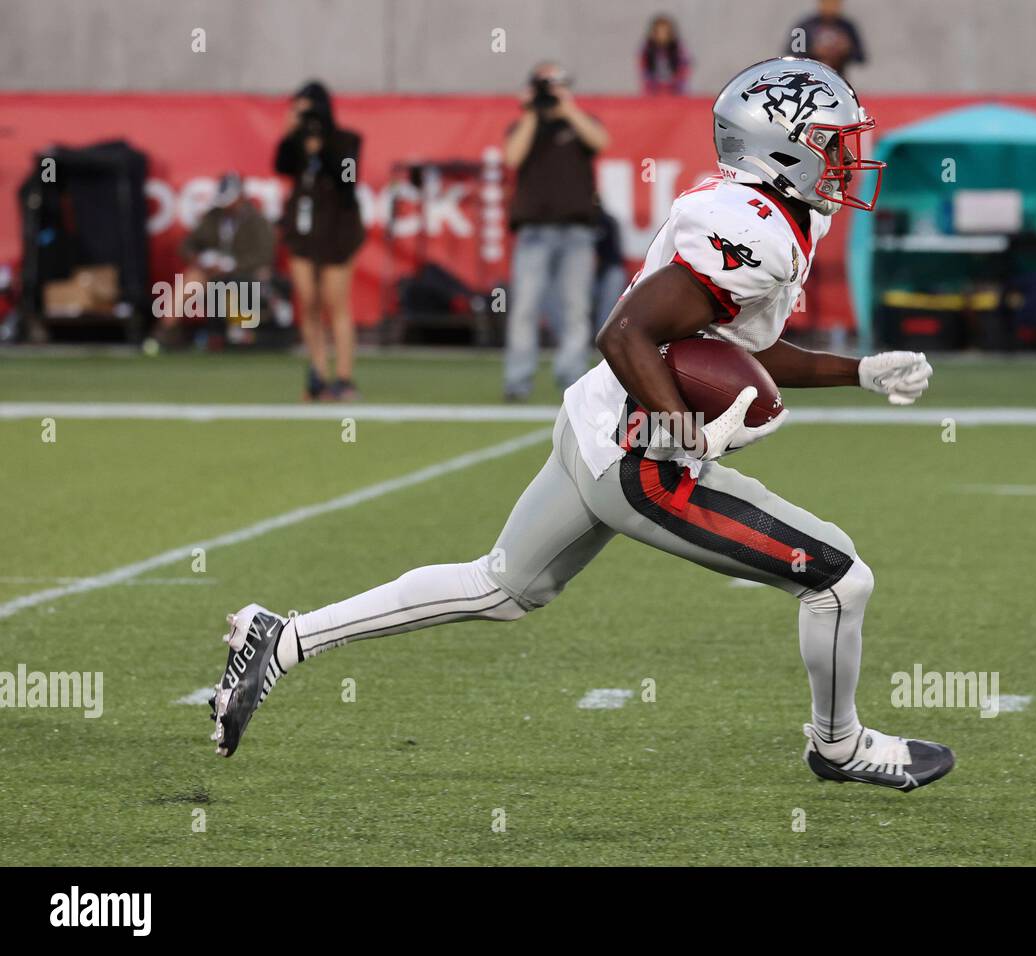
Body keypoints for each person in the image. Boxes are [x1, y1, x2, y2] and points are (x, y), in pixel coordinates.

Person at [208, 57, 953, 793]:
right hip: (638, 461)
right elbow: (625, 333)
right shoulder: (751, 229)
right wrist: (684, 433)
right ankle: (840, 744)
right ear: (781, 145)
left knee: (501, 587)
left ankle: (285, 638)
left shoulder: (767, 212)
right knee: (838, 579)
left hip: (593, 422)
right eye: (832, 141)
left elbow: (732, 348)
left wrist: (856, 372)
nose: (847, 159)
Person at [501, 63, 608, 401]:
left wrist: (568, 107)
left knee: (575, 307)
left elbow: (601, 141)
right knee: (525, 308)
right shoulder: (525, 125)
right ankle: (518, 381)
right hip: (534, 231)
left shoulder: (578, 122)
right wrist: (532, 112)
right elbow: (512, 157)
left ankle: (572, 379)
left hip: (576, 231)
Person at [275, 80, 364, 401]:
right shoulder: (297, 143)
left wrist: (323, 148)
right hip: (304, 232)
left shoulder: (346, 140)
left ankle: (344, 376)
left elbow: (349, 181)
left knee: (335, 303)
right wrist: (290, 133)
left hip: (337, 232)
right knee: (308, 301)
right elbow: (281, 165)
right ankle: (317, 372)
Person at [163, 172, 274, 343]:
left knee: (238, 283)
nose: (227, 206)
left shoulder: (257, 221)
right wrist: (198, 259)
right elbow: (187, 244)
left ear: (241, 197)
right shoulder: (214, 217)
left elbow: (264, 255)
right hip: (213, 274)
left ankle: (238, 332)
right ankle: (166, 329)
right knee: (192, 278)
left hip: (243, 275)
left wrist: (232, 265)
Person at [787, 0, 867, 77]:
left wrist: (846, 50)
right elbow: (792, 53)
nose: (830, 6)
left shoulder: (847, 27)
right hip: (810, 75)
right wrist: (813, 51)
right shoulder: (806, 26)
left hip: (838, 77)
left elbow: (860, 57)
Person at [640, 14, 691, 94]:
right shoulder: (648, 49)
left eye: (665, 32)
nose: (662, 35)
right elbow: (644, 70)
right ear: (654, 33)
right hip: (653, 91)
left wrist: (677, 85)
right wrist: (652, 87)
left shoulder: (678, 49)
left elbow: (684, 68)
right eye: (659, 32)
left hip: (676, 90)